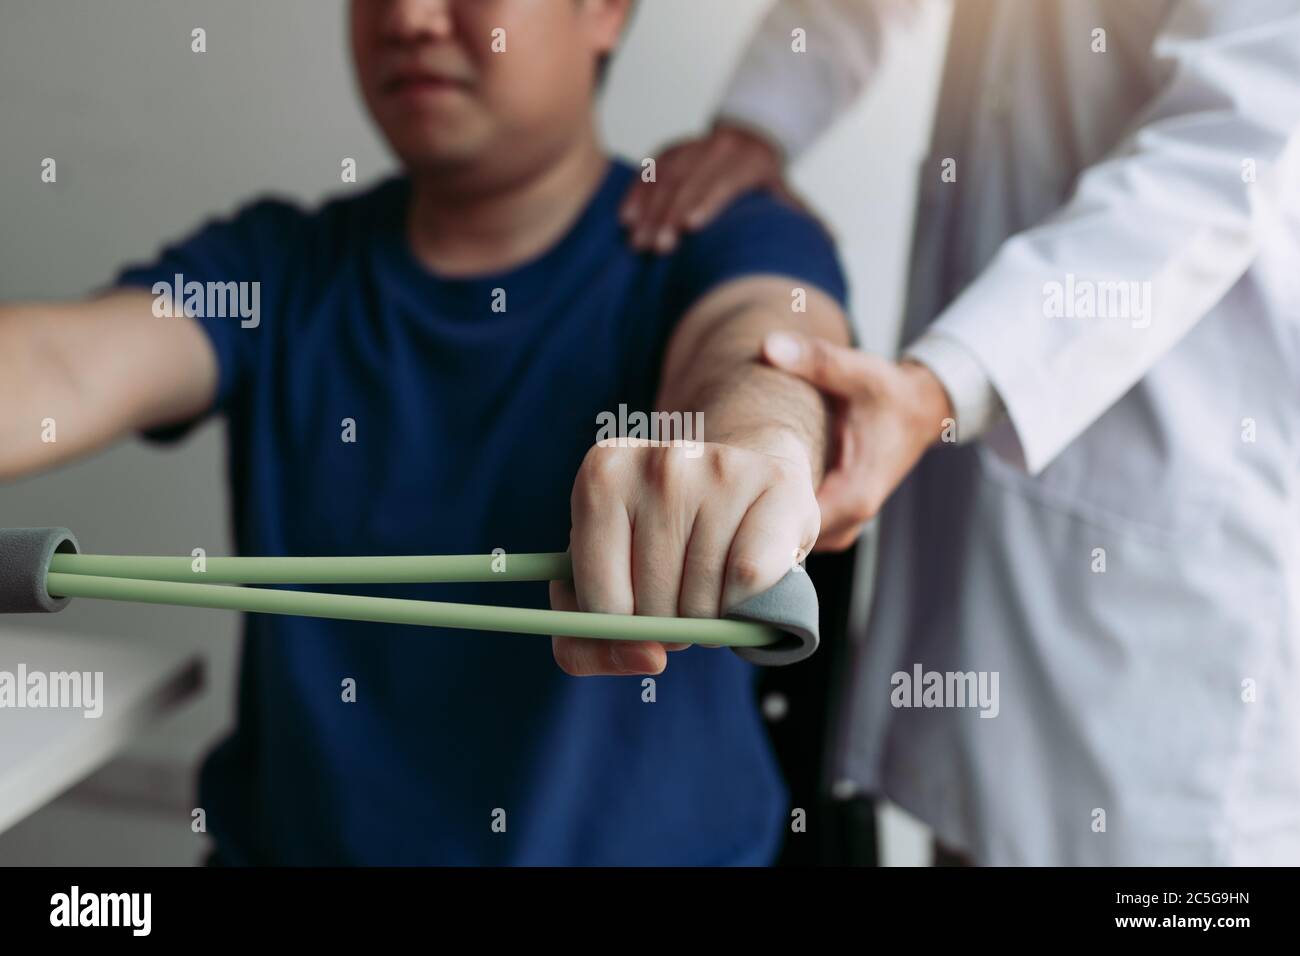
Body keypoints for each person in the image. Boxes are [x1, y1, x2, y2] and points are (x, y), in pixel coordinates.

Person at [0, 0, 854, 865]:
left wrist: (754, 454)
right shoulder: (277, 267)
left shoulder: (727, 235)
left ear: (603, 11)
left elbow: (764, 357)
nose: (407, 17)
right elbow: (54, 368)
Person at [617, 0, 1300, 865]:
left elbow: (1231, 141)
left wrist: (952, 380)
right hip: (981, 474)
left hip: (1168, 491)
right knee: (977, 823)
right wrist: (762, 119)